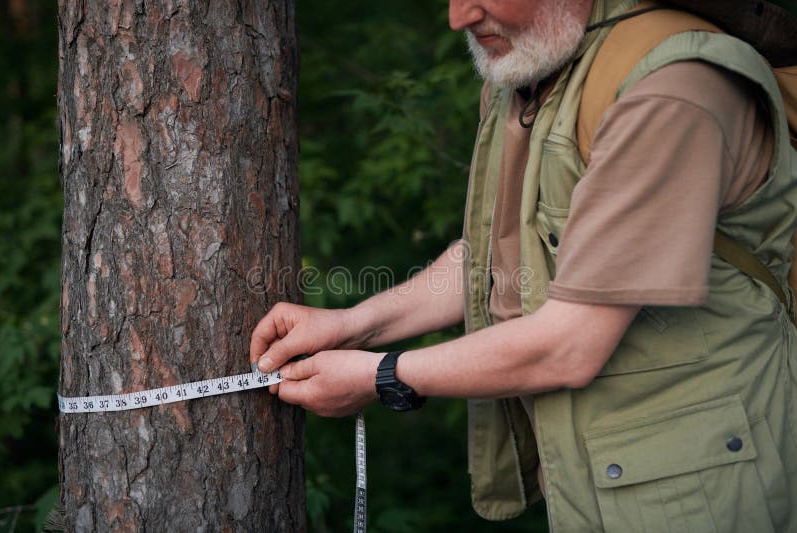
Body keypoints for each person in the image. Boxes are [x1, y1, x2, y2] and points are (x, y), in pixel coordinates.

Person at [250, 0, 797, 530]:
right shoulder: (533, 71)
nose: (457, 16)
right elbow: (497, 255)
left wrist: (382, 375)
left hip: (713, 485)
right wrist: (351, 325)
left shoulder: (672, 86)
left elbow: (572, 343)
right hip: (608, 475)